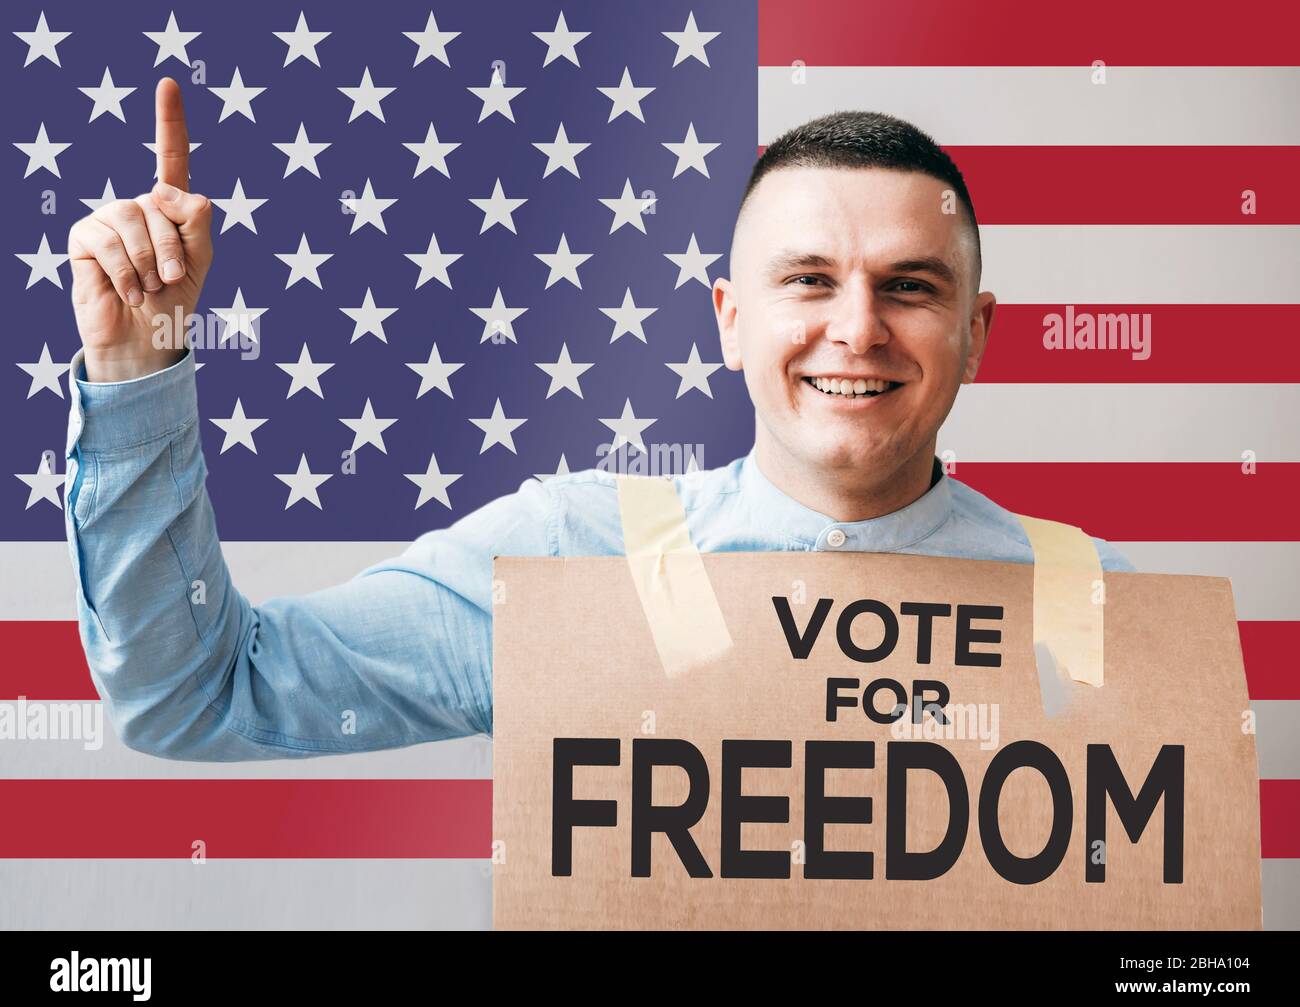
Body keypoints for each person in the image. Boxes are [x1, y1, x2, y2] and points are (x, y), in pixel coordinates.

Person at [64, 79, 1132, 761]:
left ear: (977, 332)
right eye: (807, 279)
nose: (856, 329)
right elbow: (197, 694)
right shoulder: (572, 556)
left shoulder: (1099, 605)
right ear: (727, 318)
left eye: (910, 286)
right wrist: (134, 370)